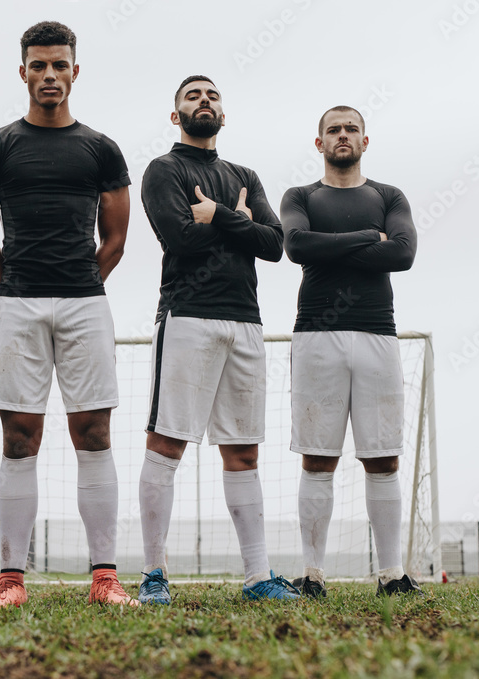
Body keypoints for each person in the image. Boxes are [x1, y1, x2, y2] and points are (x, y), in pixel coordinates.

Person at [0, 21, 135, 607]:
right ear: (23, 73)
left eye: (59, 65)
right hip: (18, 305)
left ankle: (104, 578)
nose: (49, 76)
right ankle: (11, 578)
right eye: (38, 66)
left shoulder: (102, 149)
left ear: (74, 71)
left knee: (94, 432)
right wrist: (17, 288)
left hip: (86, 304)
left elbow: (114, 240)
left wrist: (79, 286)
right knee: (20, 437)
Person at [137, 76, 298, 604]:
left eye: (212, 96)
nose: (204, 101)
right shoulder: (164, 169)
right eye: (192, 96)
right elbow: (179, 236)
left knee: (244, 452)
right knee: (167, 444)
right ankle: (154, 573)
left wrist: (220, 215)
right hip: (187, 318)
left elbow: (274, 244)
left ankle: (257, 578)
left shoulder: (243, 174)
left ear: (223, 114)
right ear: (175, 113)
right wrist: (239, 223)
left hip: (245, 323)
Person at [281, 105, 419, 598]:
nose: (343, 135)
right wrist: (367, 238)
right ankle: (313, 575)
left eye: (351, 129)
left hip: (379, 335)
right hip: (317, 337)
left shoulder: (388, 195)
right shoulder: (300, 196)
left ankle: (392, 575)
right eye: (333, 130)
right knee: (318, 459)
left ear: (366, 140)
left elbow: (402, 253)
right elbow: (296, 245)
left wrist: (334, 244)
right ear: (319, 143)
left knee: (383, 459)